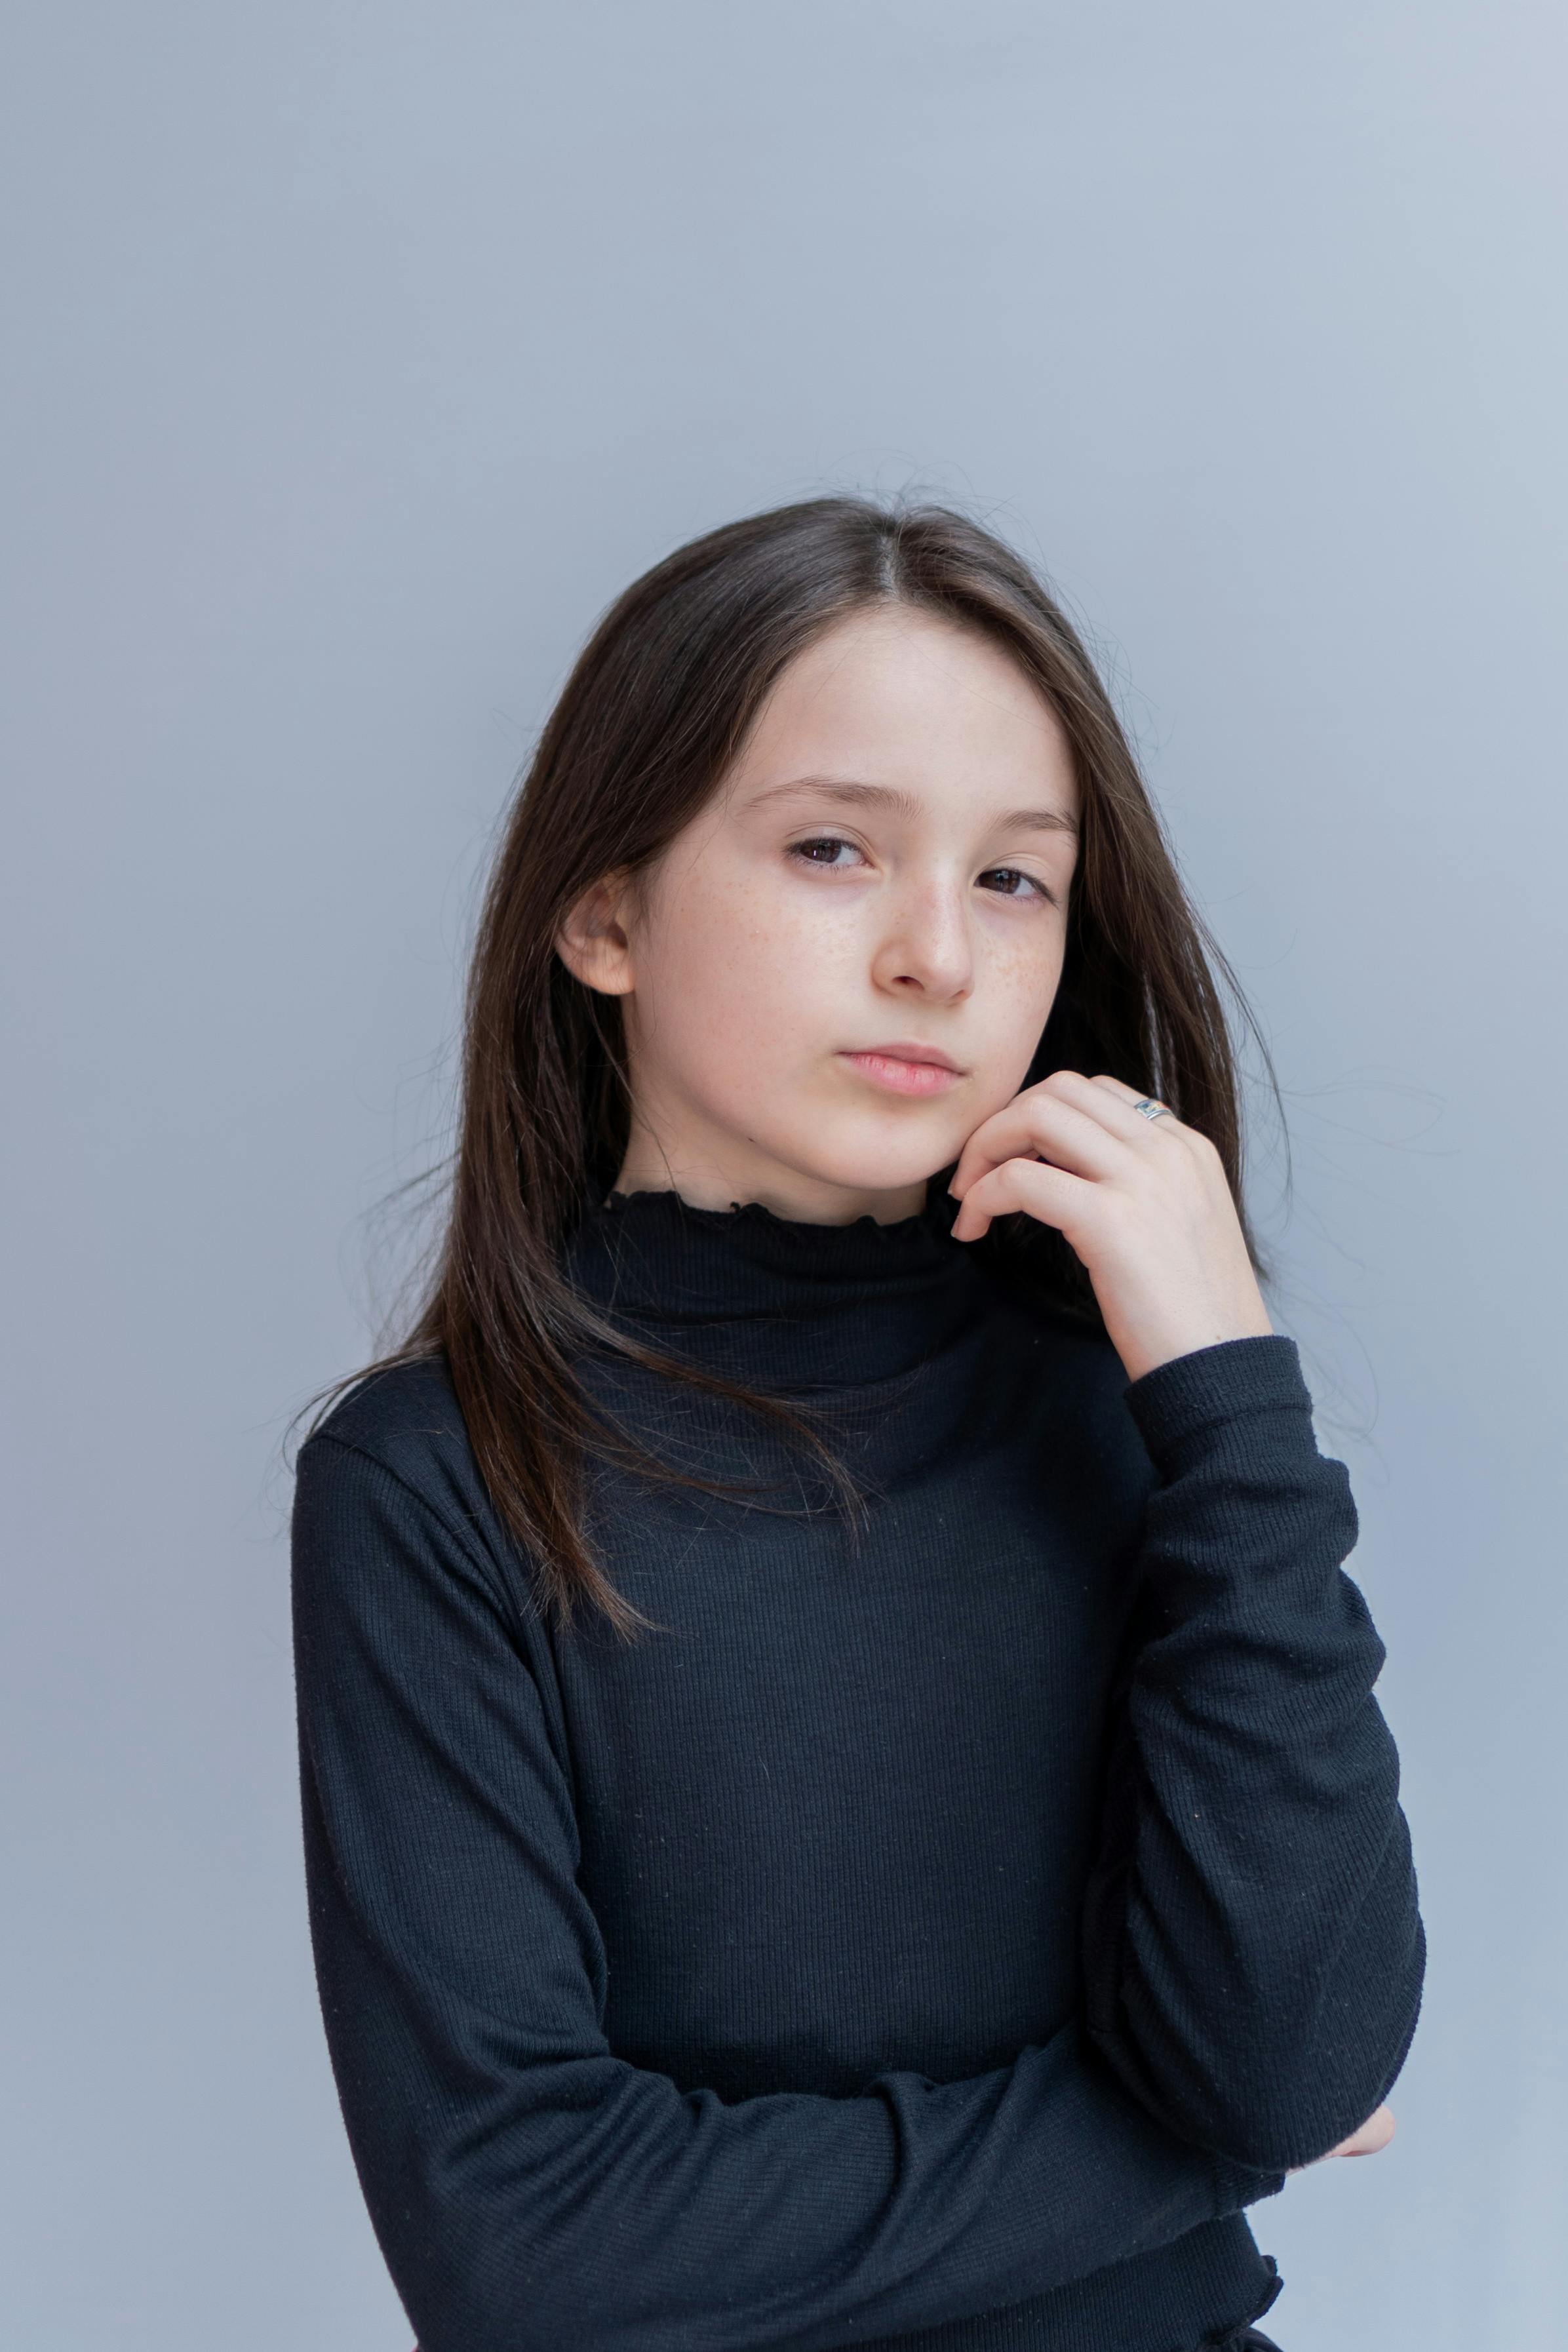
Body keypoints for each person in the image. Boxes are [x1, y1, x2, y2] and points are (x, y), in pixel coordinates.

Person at [288, 496, 1424, 2352]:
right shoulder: (438, 1482)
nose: (937, 957)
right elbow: (526, 2254)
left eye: (1014, 878)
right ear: (604, 910)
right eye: (834, 848)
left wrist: (1232, 1390)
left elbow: (1298, 2045)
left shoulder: (1145, 1415)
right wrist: (1188, 2138)